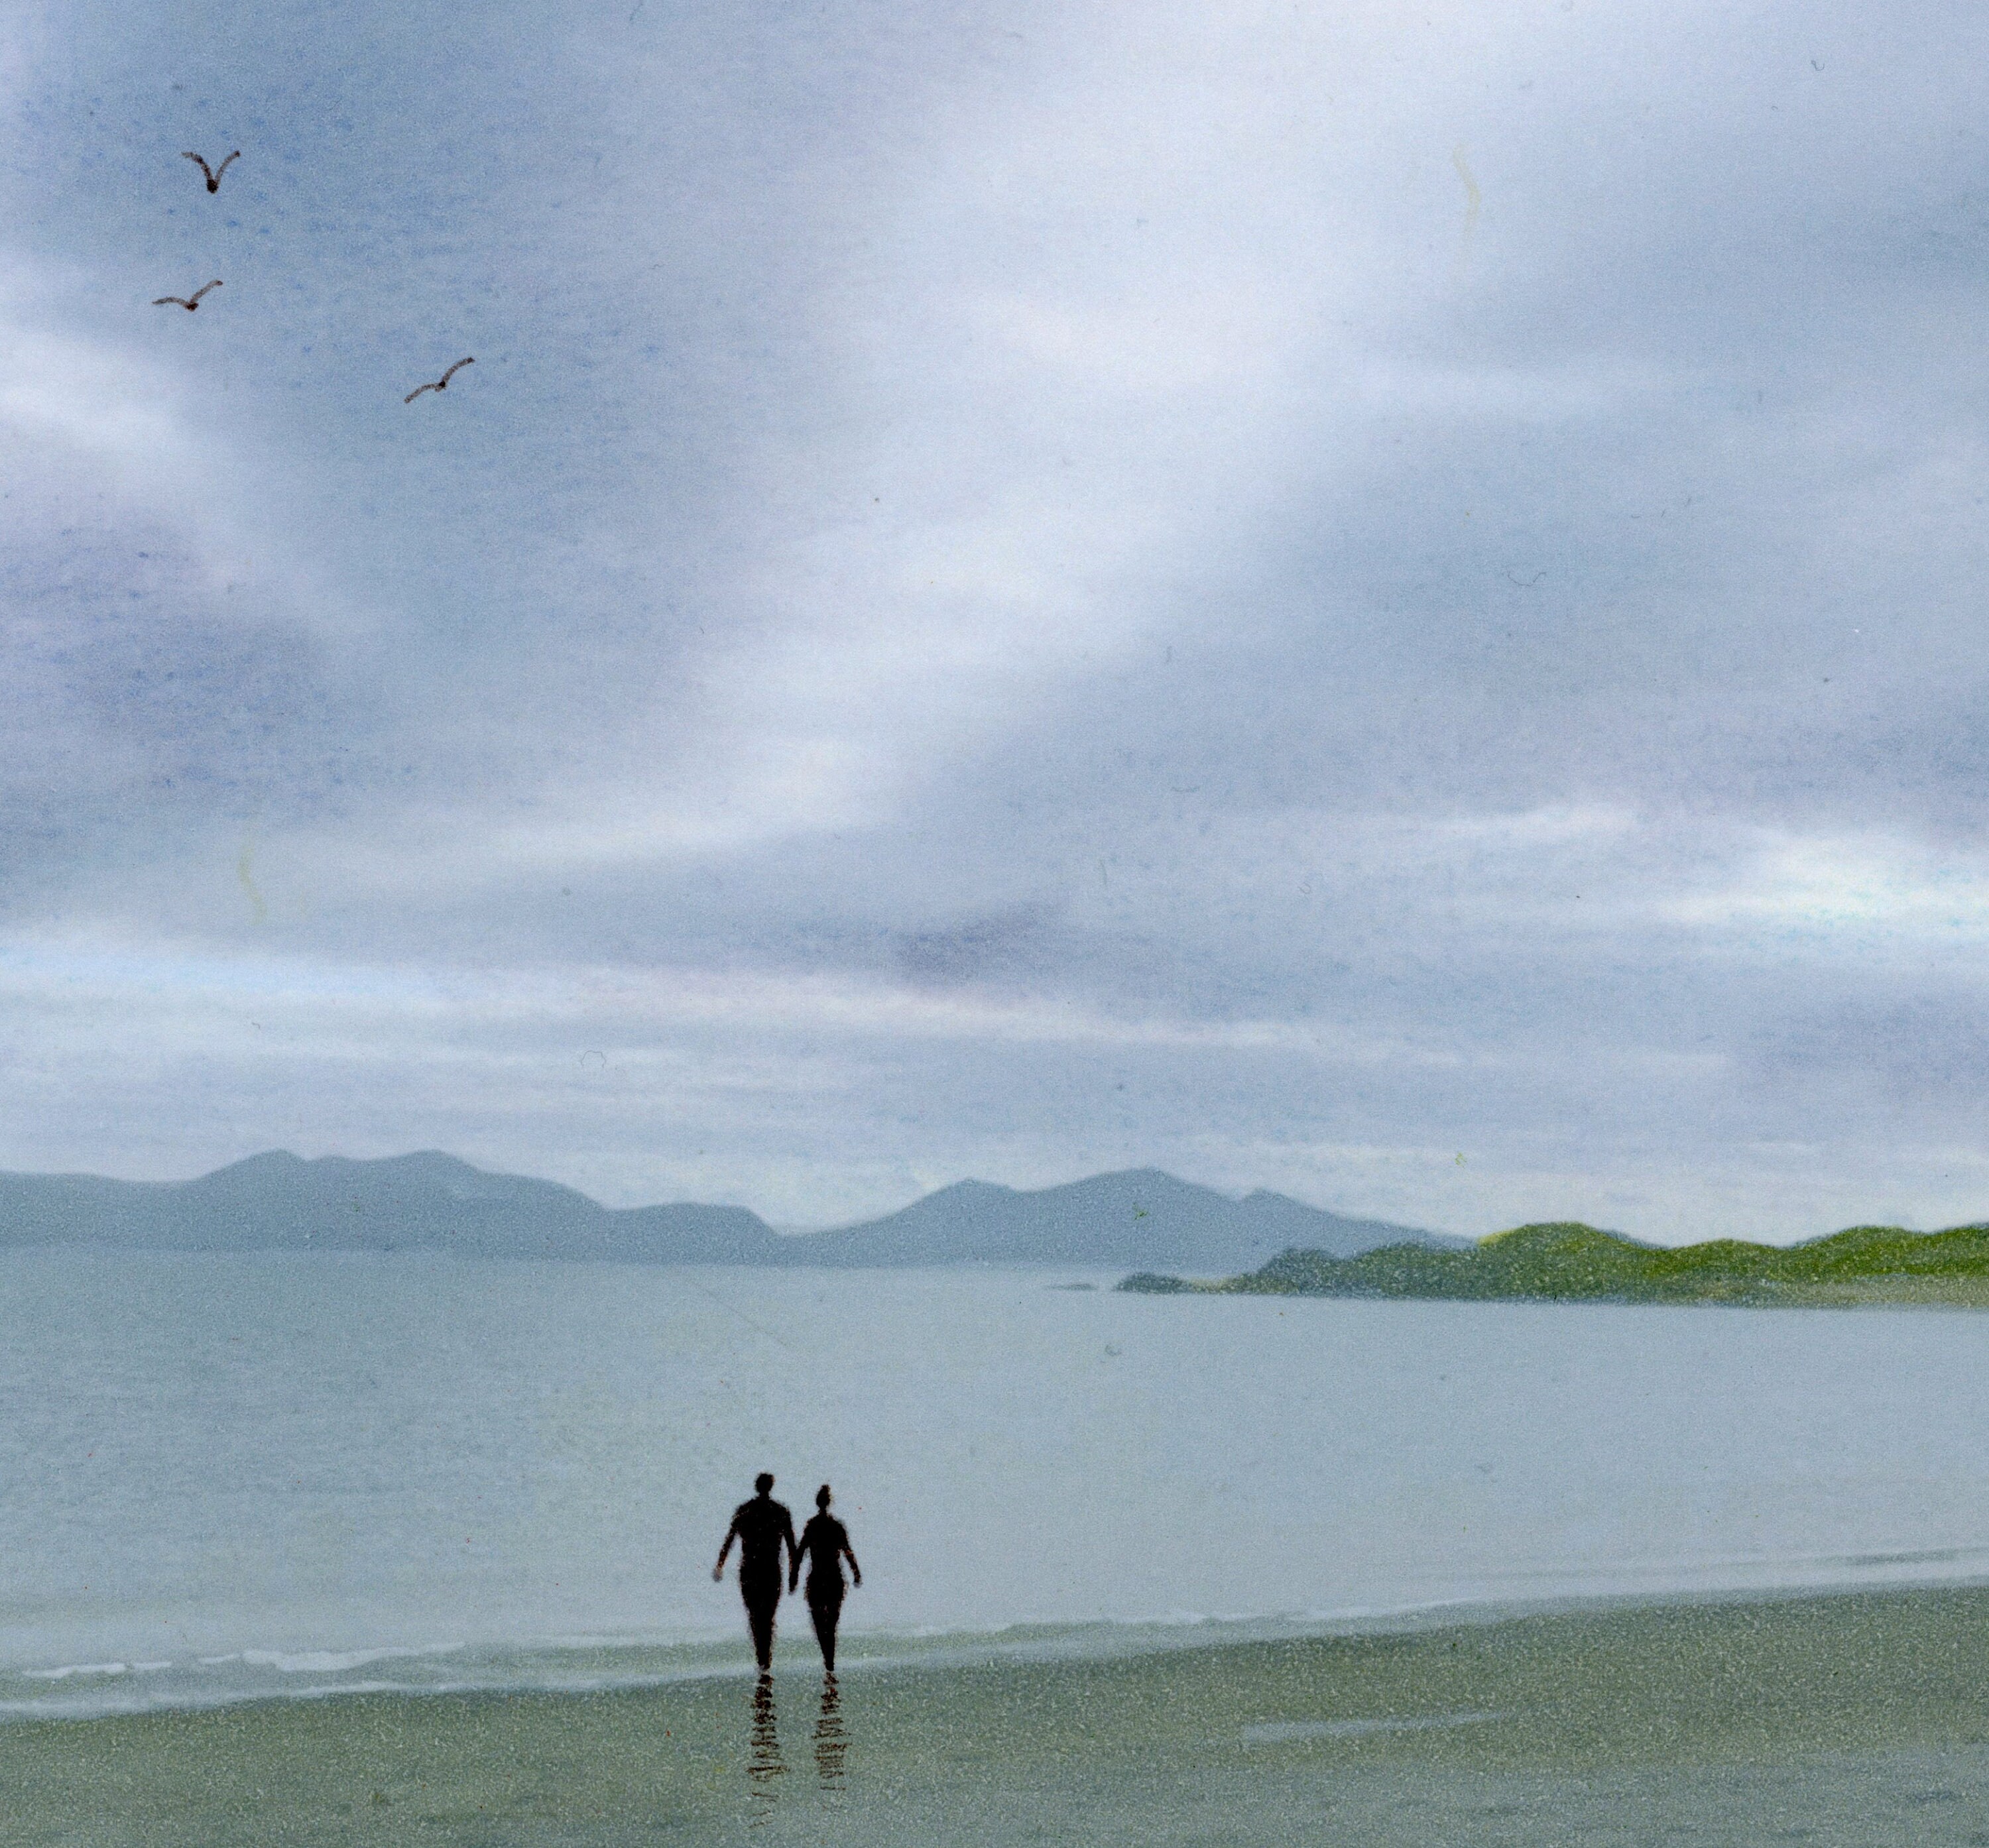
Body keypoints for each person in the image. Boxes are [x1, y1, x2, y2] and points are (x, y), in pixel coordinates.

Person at [714, 1472, 798, 1674]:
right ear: (771, 1487)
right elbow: (792, 1547)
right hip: (771, 1570)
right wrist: (793, 1574)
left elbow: (729, 1540)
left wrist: (720, 1565)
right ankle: (765, 1657)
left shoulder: (745, 1511)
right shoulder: (781, 1512)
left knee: (755, 1616)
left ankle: (762, 1658)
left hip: (750, 1570)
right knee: (768, 1616)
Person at [790, 1483, 861, 1675]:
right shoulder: (836, 1525)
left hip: (818, 1577)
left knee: (819, 1622)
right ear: (830, 1503)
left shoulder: (812, 1525)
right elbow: (847, 1551)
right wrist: (856, 1572)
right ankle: (830, 1661)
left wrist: (793, 1577)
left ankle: (828, 1660)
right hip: (835, 1578)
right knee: (831, 1622)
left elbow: (800, 1553)